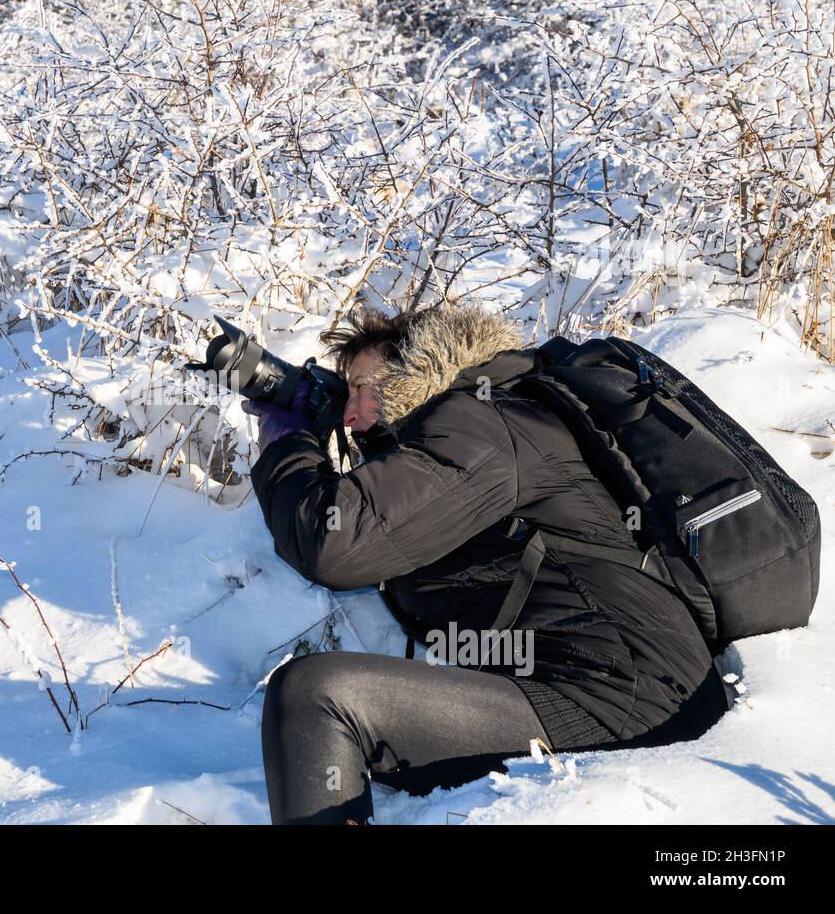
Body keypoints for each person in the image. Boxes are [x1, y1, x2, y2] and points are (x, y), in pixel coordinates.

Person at [243, 299, 733, 825]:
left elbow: (332, 545)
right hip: (596, 691)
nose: (352, 412)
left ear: (419, 370)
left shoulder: (482, 424)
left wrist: (288, 441)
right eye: (346, 394)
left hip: (623, 699)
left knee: (317, 696)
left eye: (366, 389)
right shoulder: (478, 426)